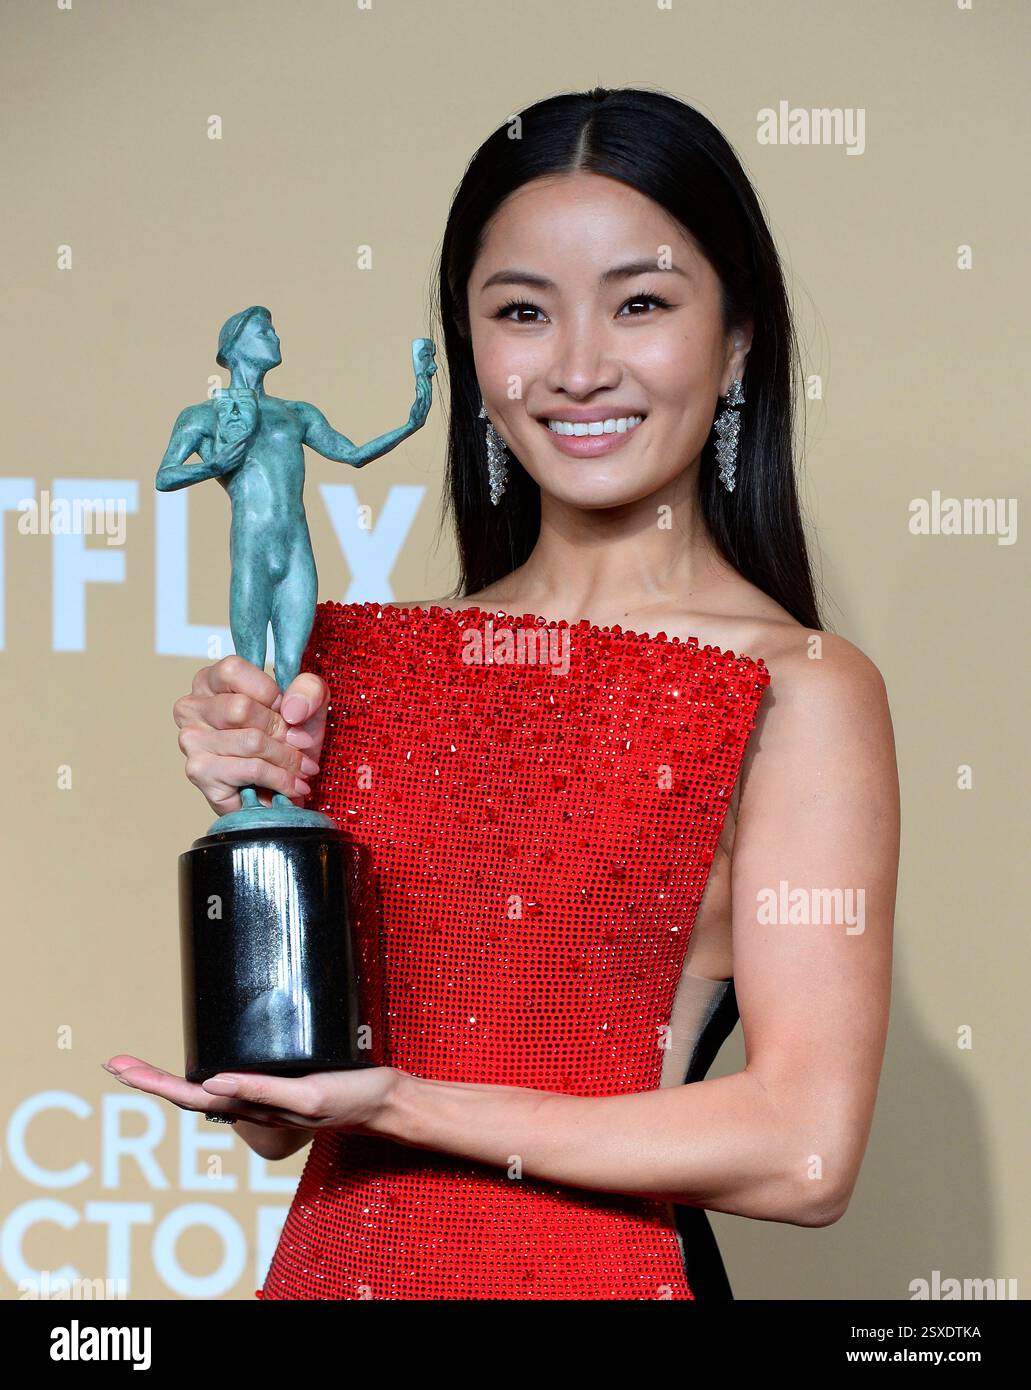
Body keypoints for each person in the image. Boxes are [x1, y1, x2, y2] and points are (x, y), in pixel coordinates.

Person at [107, 86, 900, 1300]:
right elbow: (279, 1114)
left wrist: (404, 1104)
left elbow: (805, 1154)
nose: (579, 367)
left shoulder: (796, 688)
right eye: (522, 311)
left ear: (735, 338)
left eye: (640, 303)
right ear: (471, 353)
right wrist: (247, 834)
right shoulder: (350, 661)